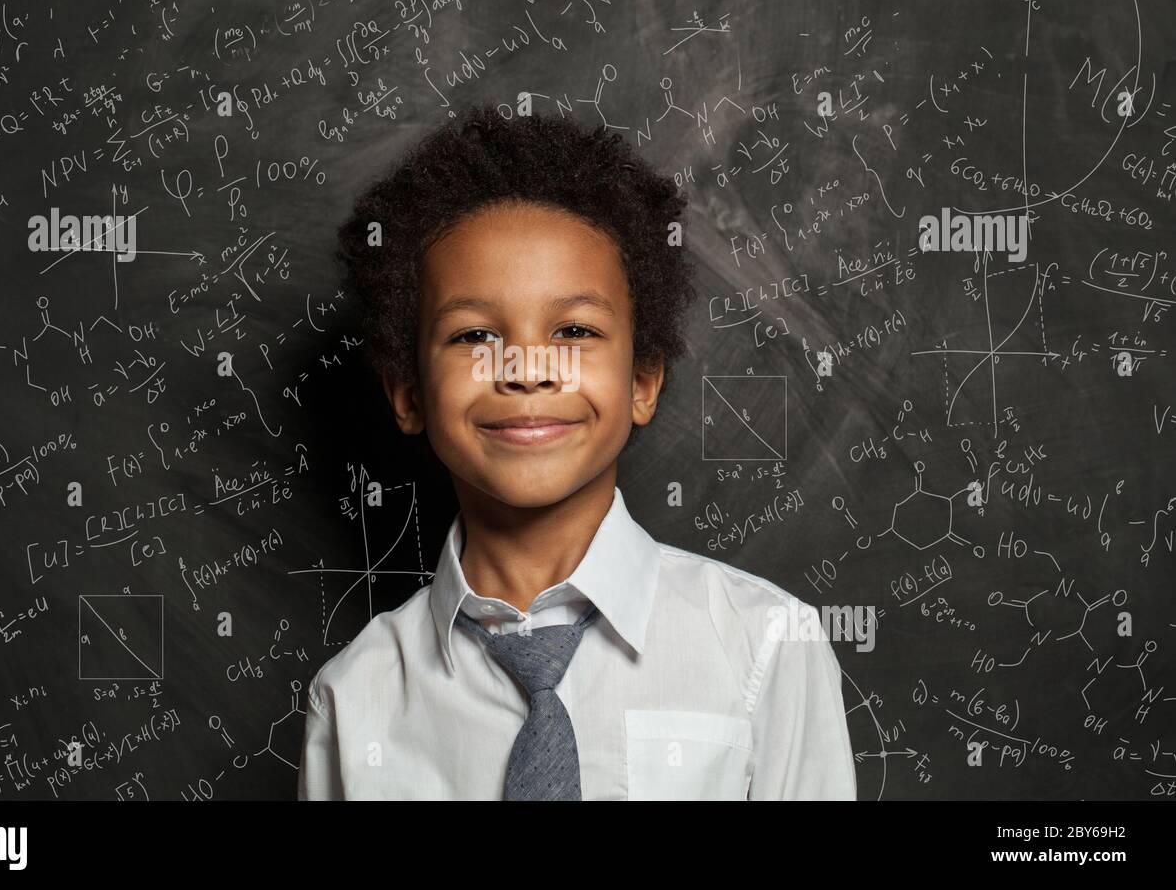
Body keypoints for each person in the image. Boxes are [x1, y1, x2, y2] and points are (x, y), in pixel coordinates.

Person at [298, 105, 856, 800]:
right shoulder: (354, 701)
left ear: (643, 383)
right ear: (408, 393)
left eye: (574, 330)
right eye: (474, 337)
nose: (529, 367)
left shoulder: (769, 648)